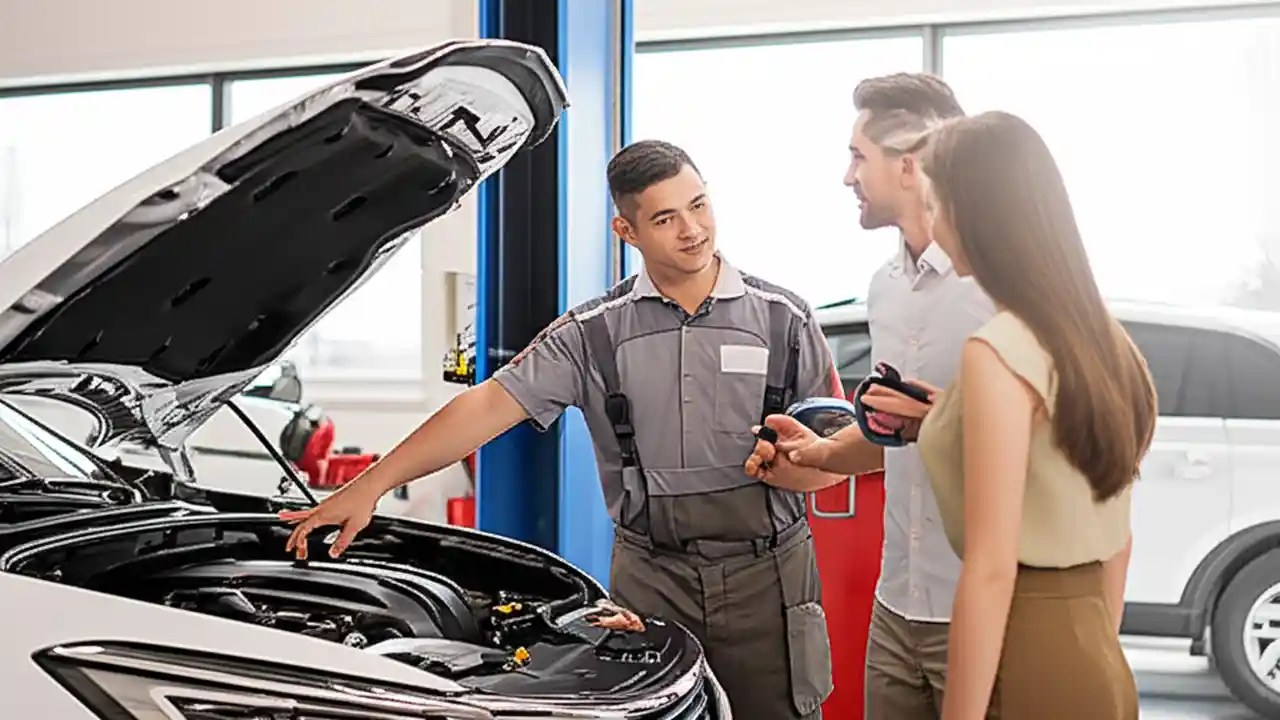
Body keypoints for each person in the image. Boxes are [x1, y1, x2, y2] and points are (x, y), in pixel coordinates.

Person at [278, 139, 844, 719]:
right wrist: (370, 485)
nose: (692, 229)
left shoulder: (785, 319)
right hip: (653, 581)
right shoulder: (593, 333)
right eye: (666, 218)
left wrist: (801, 470)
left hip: (767, 578)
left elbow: (836, 456)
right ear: (626, 230)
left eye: (699, 205)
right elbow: (485, 406)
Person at [745, 72, 995, 720]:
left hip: (983, 608)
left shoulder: (998, 286)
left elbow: (1044, 441)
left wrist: (944, 418)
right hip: (896, 607)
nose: (847, 176)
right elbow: (893, 435)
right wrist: (823, 453)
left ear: (908, 166)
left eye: (858, 156)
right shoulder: (883, 290)